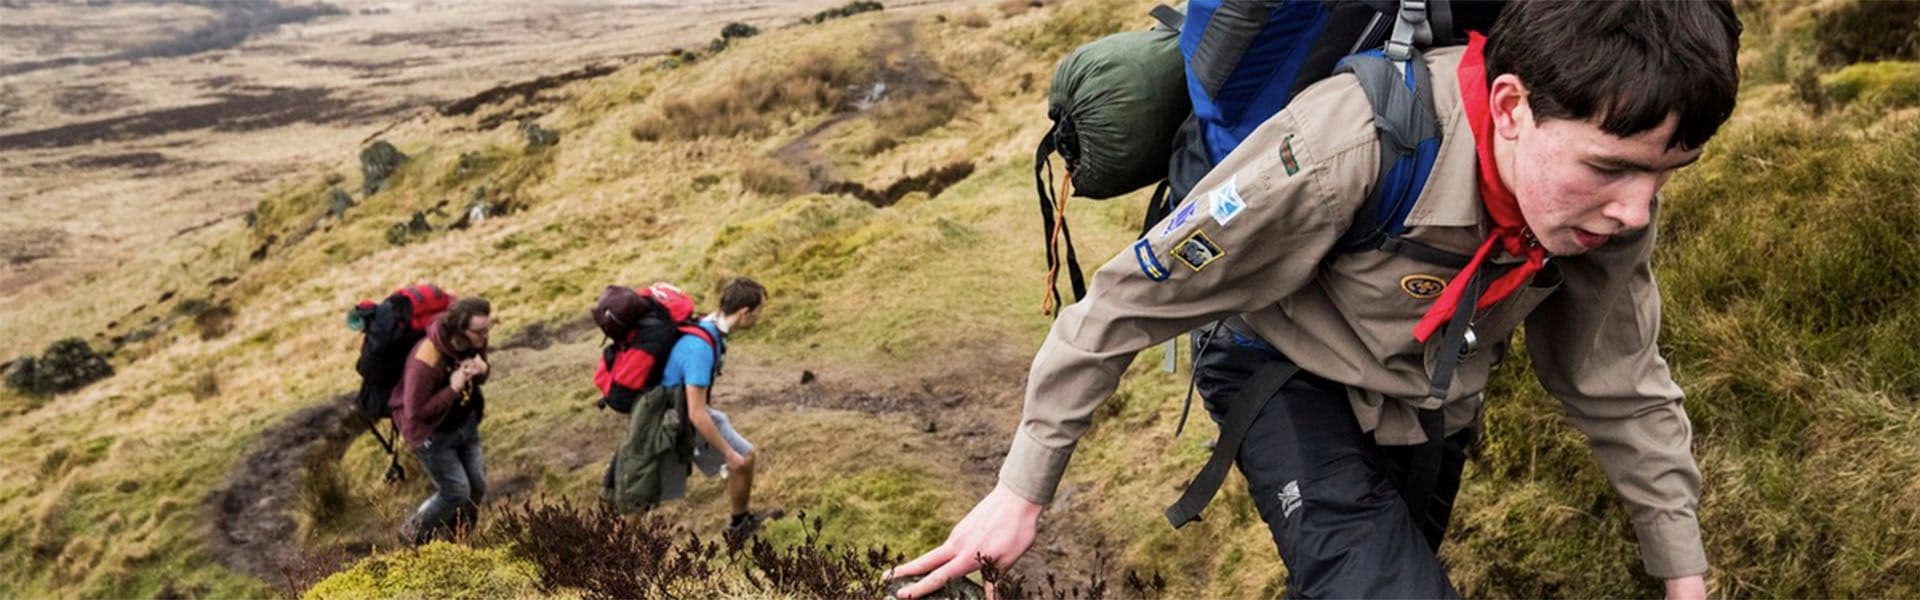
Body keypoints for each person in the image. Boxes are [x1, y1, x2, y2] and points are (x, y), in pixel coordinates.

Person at [892, 2, 1740, 598]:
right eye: (1610, 168)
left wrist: (1684, 575)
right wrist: (1021, 491)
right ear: (1511, 107)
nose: (1636, 211)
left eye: (1665, 175)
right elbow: (1123, 300)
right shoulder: (1343, 147)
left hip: (1427, 407)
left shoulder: (1601, 211)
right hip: (1278, 370)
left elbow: (1618, 382)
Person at [657, 277, 778, 537]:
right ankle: (613, 549)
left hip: (676, 408)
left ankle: (740, 524)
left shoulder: (709, 327)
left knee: (746, 456)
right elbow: (696, 413)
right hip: (670, 417)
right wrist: (727, 453)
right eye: (759, 310)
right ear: (745, 312)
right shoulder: (701, 347)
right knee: (643, 494)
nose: (760, 317)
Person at [392, 297, 493, 544]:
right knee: (456, 491)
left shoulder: (474, 342)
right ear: (460, 330)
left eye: (488, 329)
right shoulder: (425, 360)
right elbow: (416, 412)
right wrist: (453, 389)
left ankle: (458, 542)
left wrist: (482, 371)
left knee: (477, 486)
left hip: (465, 425)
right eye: (479, 331)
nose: (485, 336)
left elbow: (478, 376)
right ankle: (411, 534)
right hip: (433, 435)